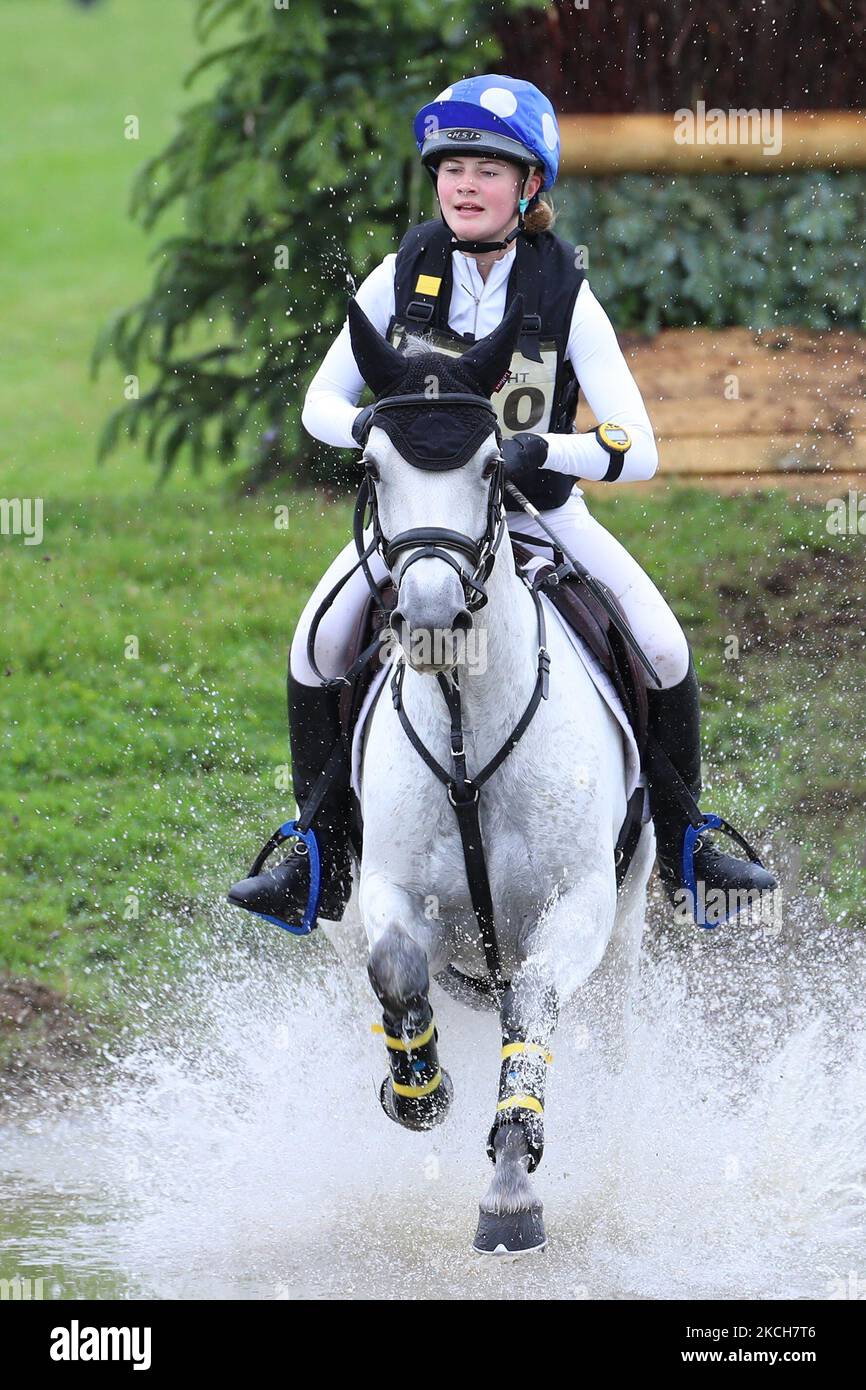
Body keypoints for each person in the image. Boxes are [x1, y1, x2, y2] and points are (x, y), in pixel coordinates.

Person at [229, 74, 776, 928]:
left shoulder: (564, 289)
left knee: (664, 647)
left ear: (530, 187)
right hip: (421, 522)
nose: (465, 185)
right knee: (316, 642)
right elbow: (318, 407)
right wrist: (380, 427)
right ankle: (316, 854)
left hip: (537, 517)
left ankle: (688, 846)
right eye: (451, 168)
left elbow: (641, 446)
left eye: (489, 168)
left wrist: (541, 450)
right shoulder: (401, 271)